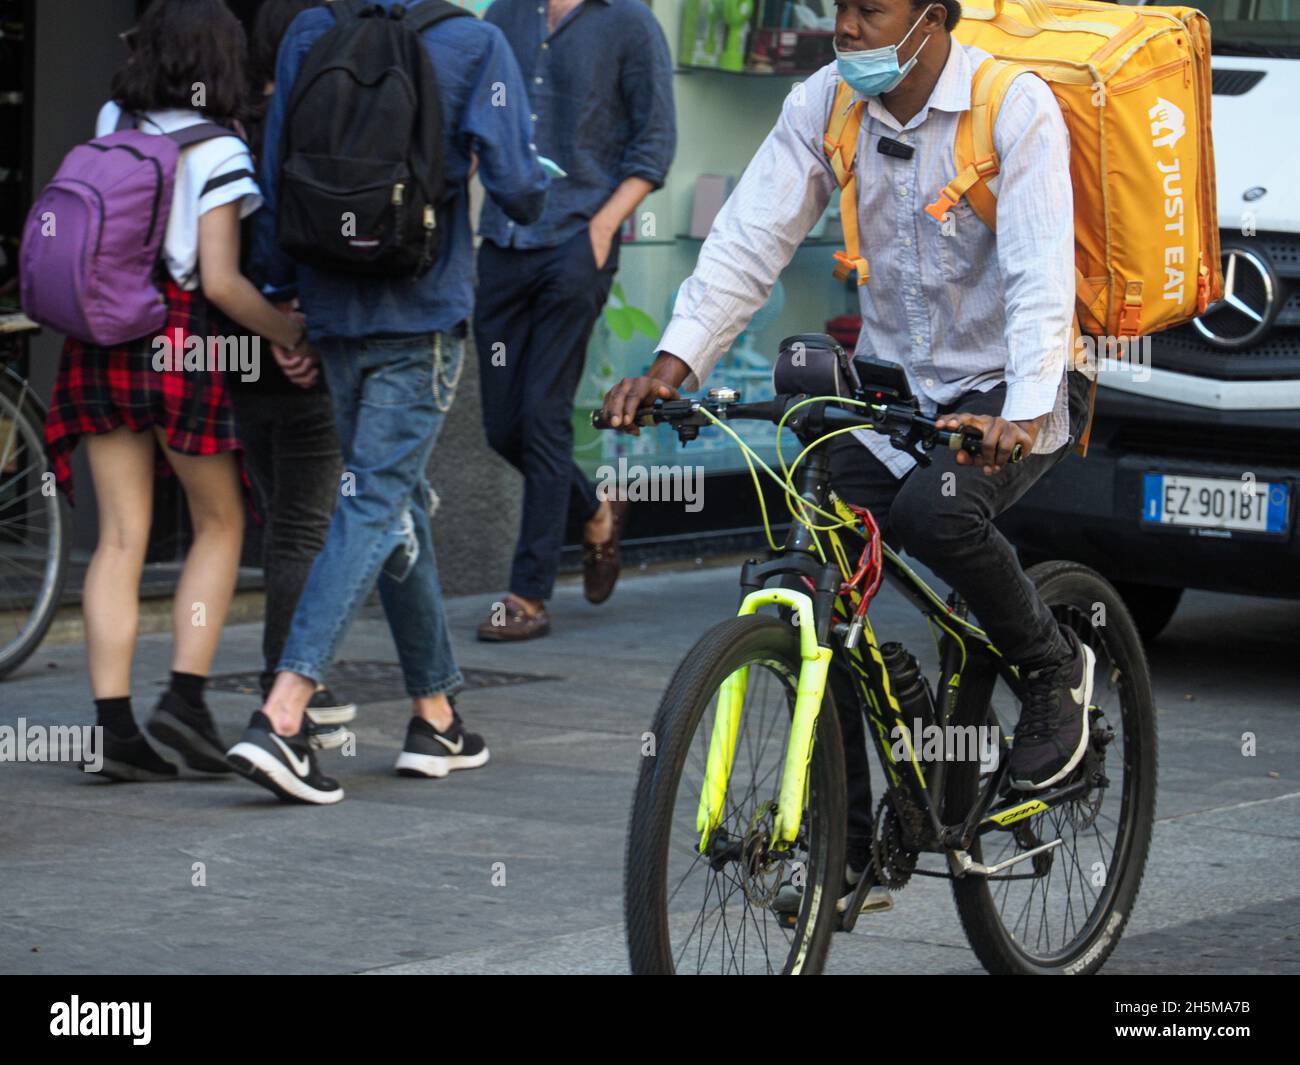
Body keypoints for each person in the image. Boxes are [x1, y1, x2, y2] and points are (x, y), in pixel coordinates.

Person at [600, 0, 1096, 902]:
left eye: (872, 9)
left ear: (932, 19)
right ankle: (854, 851)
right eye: (840, 7)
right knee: (813, 558)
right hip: (893, 389)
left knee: (935, 515)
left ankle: (1050, 662)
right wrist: (673, 366)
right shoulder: (827, 103)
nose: (848, 27)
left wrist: (1021, 415)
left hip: (1011, 386)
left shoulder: (1010, 106)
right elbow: (750, 238)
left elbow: (1039, 276)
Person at [225, 0, 551, 804]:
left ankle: (435, 716)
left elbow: (274, 176)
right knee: (373, 501)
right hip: (422, 312)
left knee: (393, 499)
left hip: (332, 311)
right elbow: (518, 189)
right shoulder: (474, 43)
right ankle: (284, 712)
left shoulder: (309, 32)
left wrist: (284, 305)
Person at [42, 0, 313, 781]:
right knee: (221, 522)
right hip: (179, 339)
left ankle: (112, 728)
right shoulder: (220, 147)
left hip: (98, 336)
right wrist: (288, 334)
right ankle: (186, 700)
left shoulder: (112, 115)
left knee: (121, 536)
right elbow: (223, 282)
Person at [472, 0, 675, 642]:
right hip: (503, 238)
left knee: (543, 412)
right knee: (502, 426)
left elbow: (654, 142)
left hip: (576, 241)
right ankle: (593, 512)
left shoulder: (631, 21)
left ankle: (527, 594)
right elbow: (477, 116)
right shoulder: (503, 13)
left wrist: (604, 224)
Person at [231, 0, 354, 748]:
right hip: (299, 340)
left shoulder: (230, 133)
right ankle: (286, 685)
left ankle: (296, 676)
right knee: (301, 529)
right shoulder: (316, 121)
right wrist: (294, 324)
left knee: (284, 522)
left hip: (240, 349)